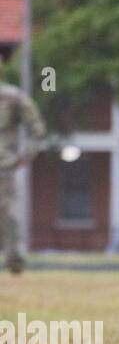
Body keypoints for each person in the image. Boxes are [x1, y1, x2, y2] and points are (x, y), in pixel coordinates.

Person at [0, 82, 47, 274]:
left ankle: (14, 260)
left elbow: (37, 129)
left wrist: (25, 156)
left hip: (3, 166)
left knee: (8, 212)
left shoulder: (12, 97)